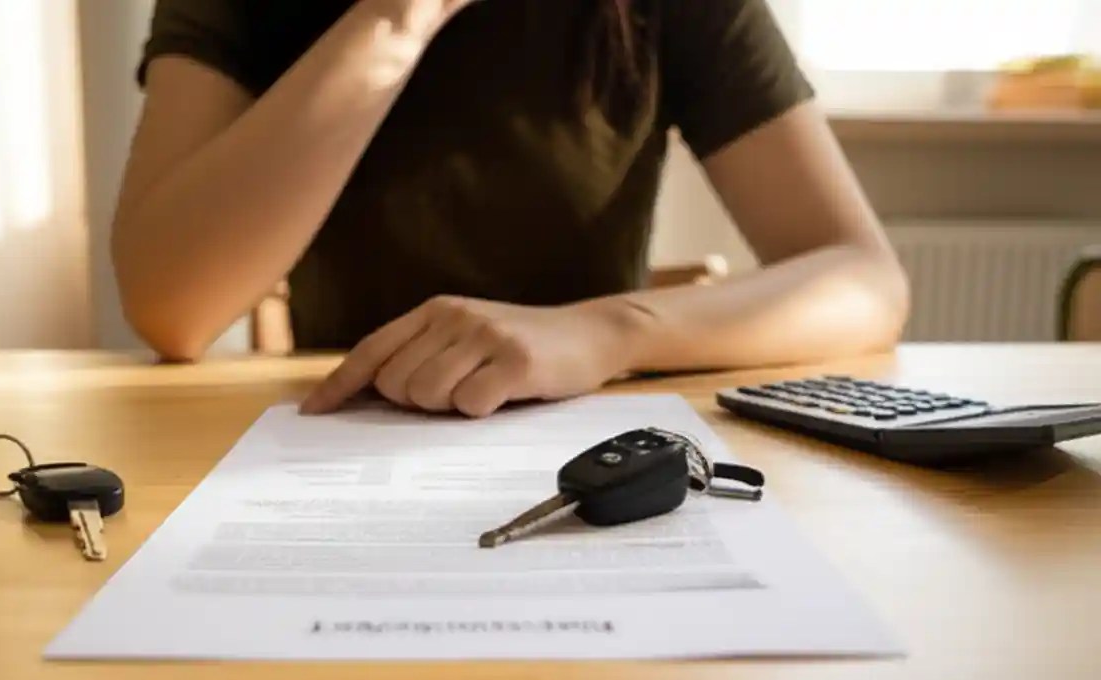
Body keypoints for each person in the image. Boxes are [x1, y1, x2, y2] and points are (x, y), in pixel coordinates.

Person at [113, 0, 910, 418]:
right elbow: (170, 307)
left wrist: (610, 331)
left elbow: (864, 278)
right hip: (341, 441)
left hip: (584, 439)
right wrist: (398, 16)